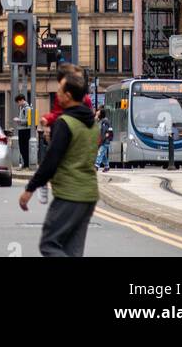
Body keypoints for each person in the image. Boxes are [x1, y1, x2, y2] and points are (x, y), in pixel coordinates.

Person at [19, 68, 99, 258]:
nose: (58, 95)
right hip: (89, 194)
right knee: (73, 251)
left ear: (68, 96)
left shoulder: (66, 123)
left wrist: (29, 189)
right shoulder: (92, 124)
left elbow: (51, 161)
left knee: (49, 244)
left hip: (70, 194)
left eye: (60, 91)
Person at [14, 93, 32, 169]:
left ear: (22, 100)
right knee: (22, 148)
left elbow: (28, 121)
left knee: (24, 148)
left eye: (18, 102)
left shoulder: (27, 108)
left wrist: (19, 120)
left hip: (25, 130)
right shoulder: (22, 108)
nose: (18, 104)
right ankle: (25, 164)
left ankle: (26, 164)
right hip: (22, 129)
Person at [95, 107, 113, 172]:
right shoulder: (101, 121)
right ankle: (107, 166)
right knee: (103, 154)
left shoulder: (105, 121)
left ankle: (96, 166)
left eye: (98, 112)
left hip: (105, 141)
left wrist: (102, 140)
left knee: (99, 153)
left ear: (101, 114)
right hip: (103, 141)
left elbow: (105, 133)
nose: (97, 113)